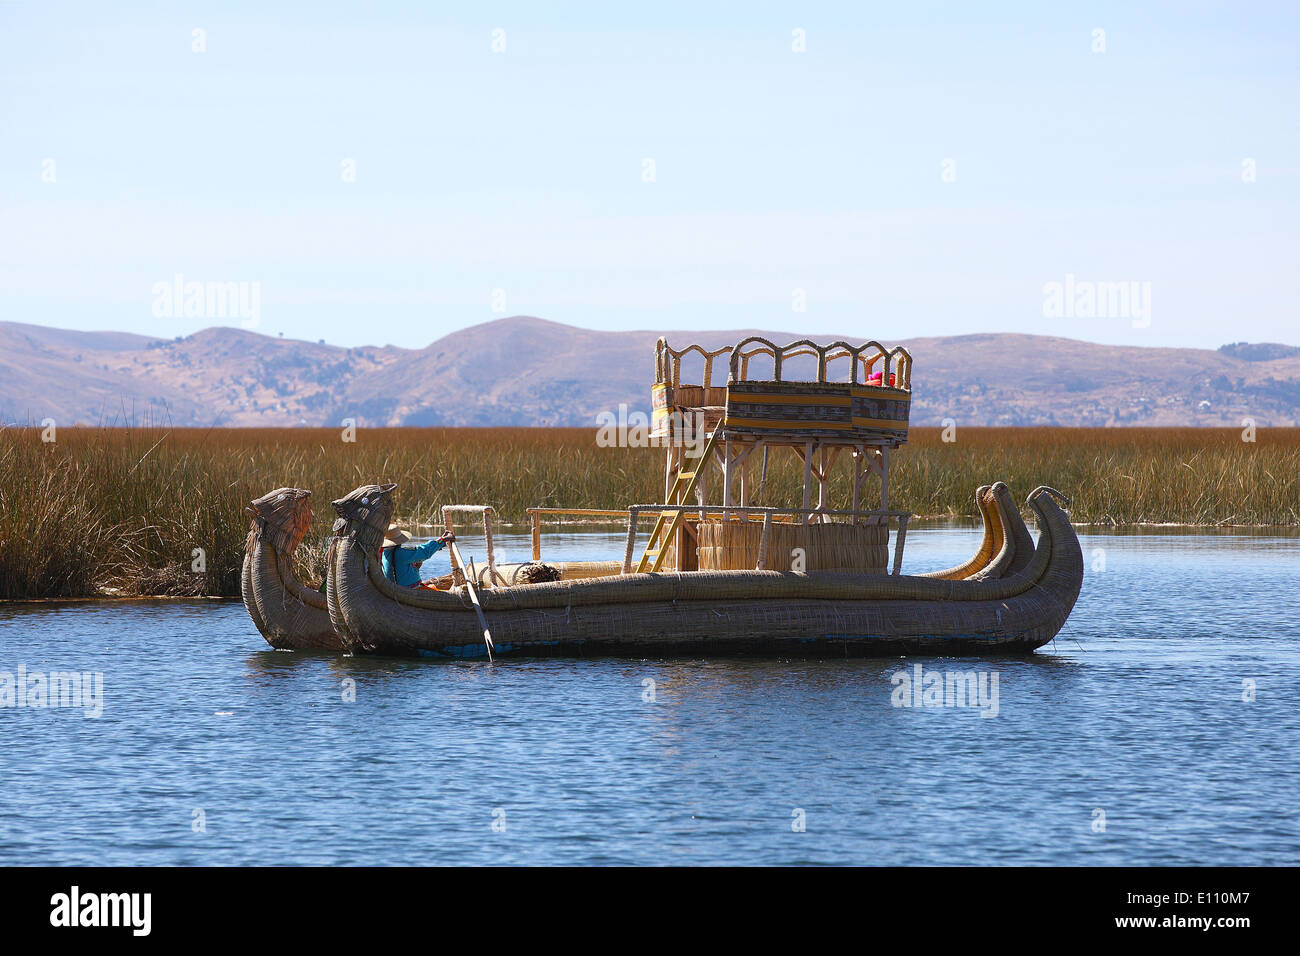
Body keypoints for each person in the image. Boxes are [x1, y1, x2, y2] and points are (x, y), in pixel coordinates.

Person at [381, 523, 455, 587]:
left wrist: (437, 545)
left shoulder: (384, 554)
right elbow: (424, 551)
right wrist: (442, 540)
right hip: (408, 590)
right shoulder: (401, 553)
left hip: (394, 588)